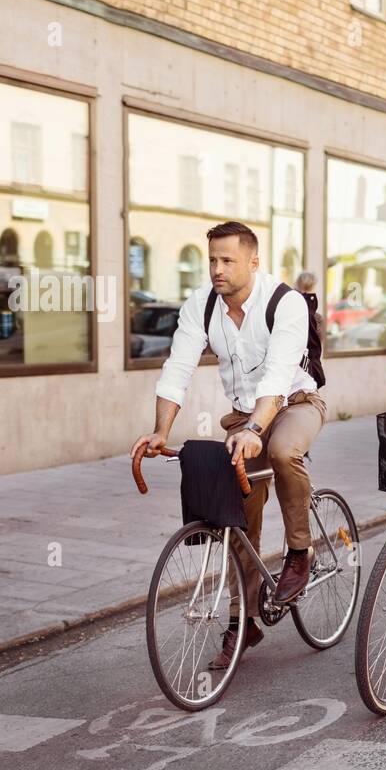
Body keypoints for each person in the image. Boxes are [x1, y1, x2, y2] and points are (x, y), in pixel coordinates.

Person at [131, 221, 327, 670]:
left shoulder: (286, 303)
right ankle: (245, 621)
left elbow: (278, 377)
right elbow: (176, 368)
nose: (217, 269)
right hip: (243, 416)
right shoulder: (201, 306)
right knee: (236, 515)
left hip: (295, 402)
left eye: (227, 260)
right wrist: (161, 430)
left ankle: (300, 552)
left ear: (253, 262)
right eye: (212, 260)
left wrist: (257, 431)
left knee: (281, 452)